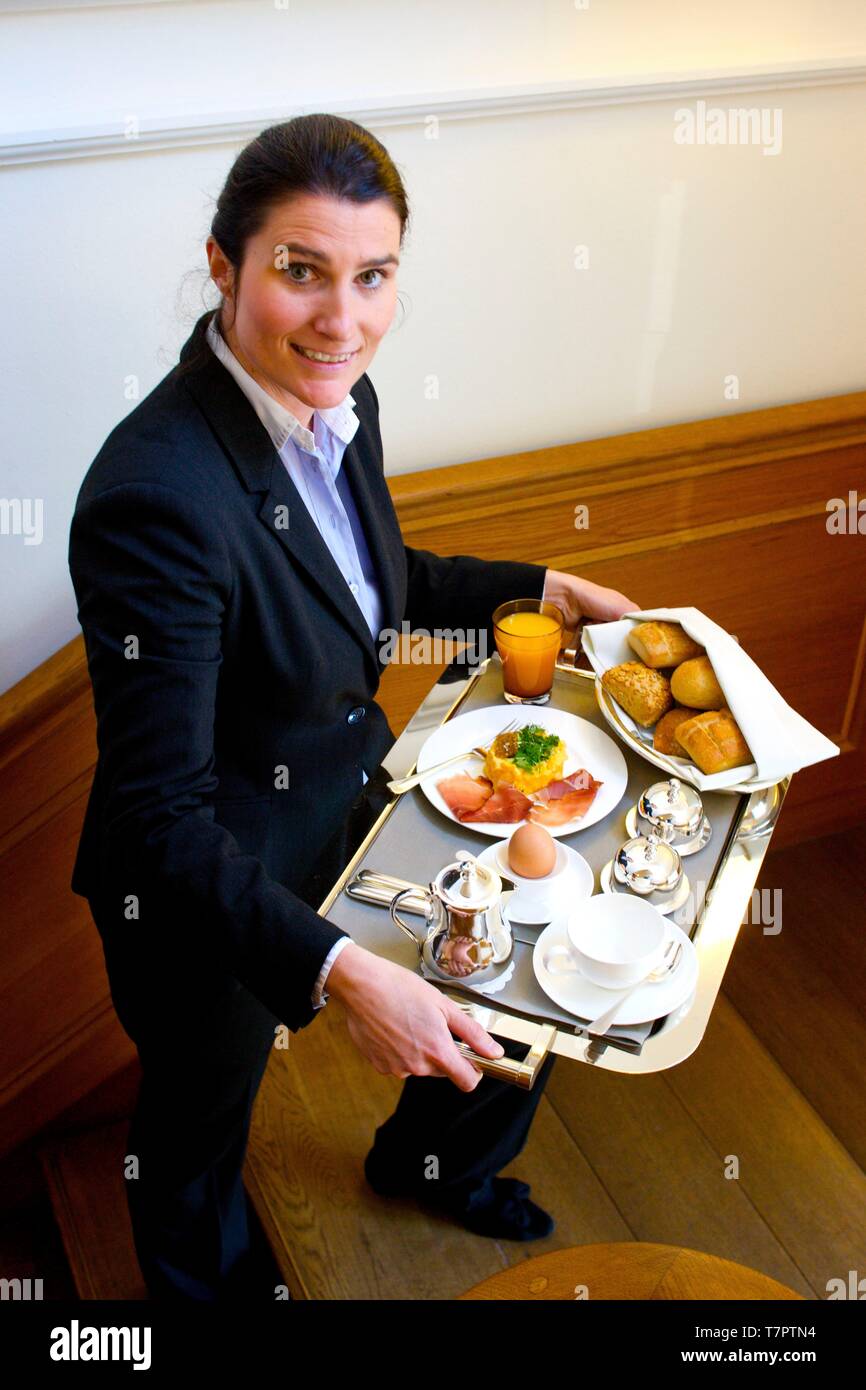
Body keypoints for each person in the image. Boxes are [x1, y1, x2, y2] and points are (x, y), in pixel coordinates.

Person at [67, 113, 638, 1301]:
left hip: (349, 796)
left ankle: (434, 1163)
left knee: (523, 968)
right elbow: (159, 817)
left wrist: (533, 590)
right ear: (224, 265)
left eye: (372, 277)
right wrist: (340, 972)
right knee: (190, 1141)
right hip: (200, 885)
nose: (342, 320)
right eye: (300, 272)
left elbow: (368, 587)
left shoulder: (336, 396)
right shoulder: (153, 497)